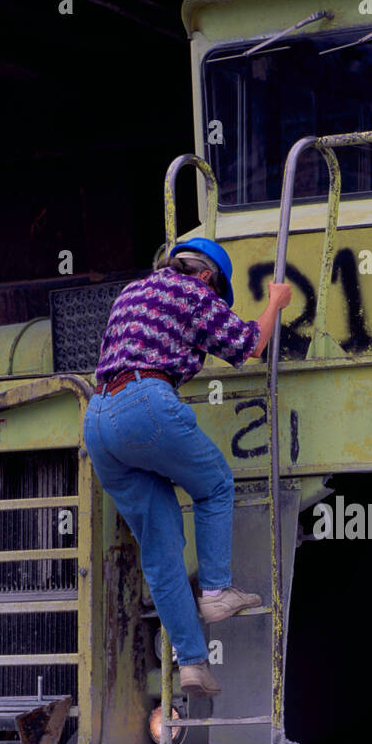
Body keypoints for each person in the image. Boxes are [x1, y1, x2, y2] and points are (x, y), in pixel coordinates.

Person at [82, 239, 292, 695]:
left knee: (160, 552)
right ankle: (217, 592)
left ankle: (193, 664)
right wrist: (275, 303)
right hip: (146, 403)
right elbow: (250, 345)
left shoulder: (130, 292)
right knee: (215, 484)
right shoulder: (194, 293)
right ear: (206, 277)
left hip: (98, 419)